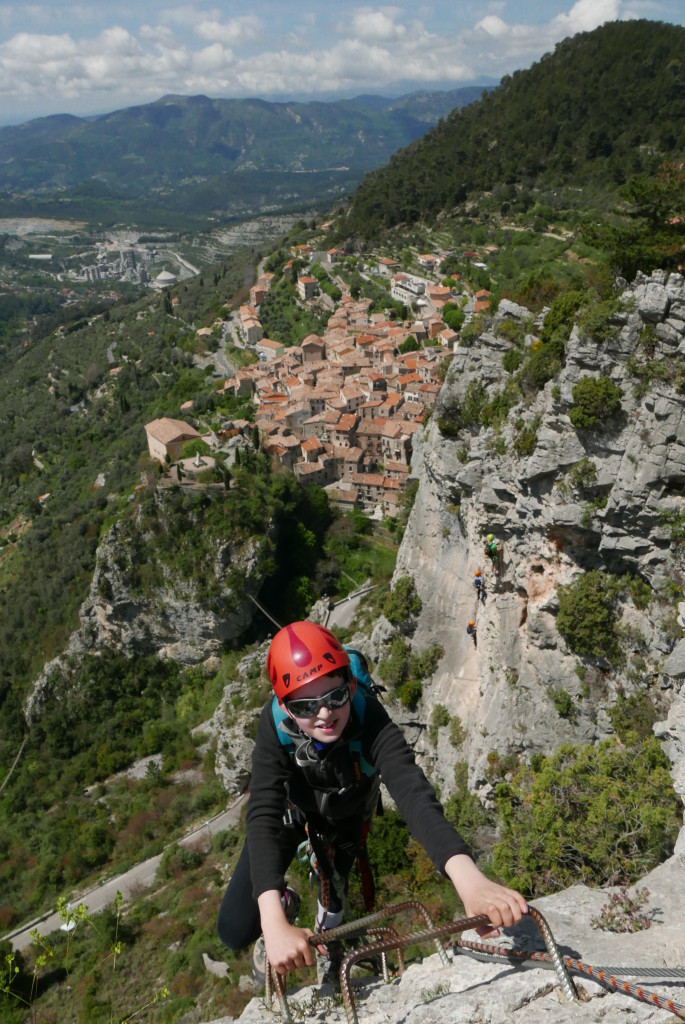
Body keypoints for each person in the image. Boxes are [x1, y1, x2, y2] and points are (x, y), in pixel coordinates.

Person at [217, 621, 527, 984]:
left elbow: (412, 792)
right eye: (305, 706)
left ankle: (333, 949)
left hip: (346, 818)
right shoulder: (273, 726)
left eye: (335, 697)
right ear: (285, 708)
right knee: (234, 930)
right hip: (292, 814)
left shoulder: (369, 717)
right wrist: (272, 919)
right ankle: (287, 901)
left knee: (333, 903)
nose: (324, 714)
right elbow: (264, 810)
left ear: (350, 686)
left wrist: (469, 880)